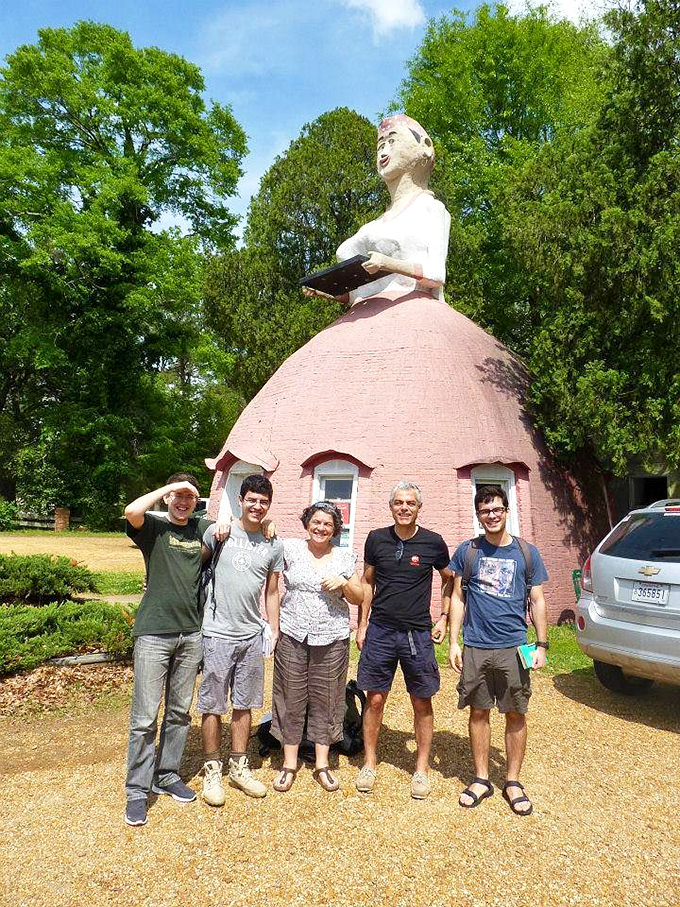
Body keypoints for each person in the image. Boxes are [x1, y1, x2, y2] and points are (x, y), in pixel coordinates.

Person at [447, 485, 549, 816]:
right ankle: (481, 779)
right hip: (476, 644)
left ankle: (513, 781)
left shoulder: (526, 553)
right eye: (485, 511)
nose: (491, 515)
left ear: (507, 511)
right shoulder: (469, 551)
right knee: (478, 711)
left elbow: (537, 600)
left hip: (514, 645)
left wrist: (542, 644)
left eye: (497, 509)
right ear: (478, 515)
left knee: (516, 712)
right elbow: (458, 597)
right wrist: (453, 641)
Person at [123, 473, 214, 827]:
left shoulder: (198, 528)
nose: (183, 502)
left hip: (191, 633)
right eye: (177, 496)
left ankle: (166, 774)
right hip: (154, 632)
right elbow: (131, 509)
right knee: (145, 717)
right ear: (166, 499)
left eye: (189, 497)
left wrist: (266, 523)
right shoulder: (154, 530)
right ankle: (136, 790)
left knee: (178, 712)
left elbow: (233, 525)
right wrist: (168, 488)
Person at [355, 481, 452, 799]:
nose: (404, 508)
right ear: (391, 506)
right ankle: (369, 762)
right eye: (398, 502)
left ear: (419, 507)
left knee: (421, 700)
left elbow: (450, 579)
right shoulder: (376, 539)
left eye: (410, 503)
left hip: (417, 634)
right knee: (375, 699)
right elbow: (367, 583)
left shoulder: (433, 542)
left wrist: (443, 617)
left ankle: (421, 769)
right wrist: (362, 625)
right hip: (381, 630)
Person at [303, 113, 450, 309]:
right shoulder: (372, 225)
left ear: (425, 145)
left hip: (411, 312)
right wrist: (331, 292)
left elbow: (436, 274)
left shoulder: (432, 209)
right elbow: (360, 292)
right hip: (367, 318)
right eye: (380, 146)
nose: (383, 153)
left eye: (392, 142)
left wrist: (387, 263)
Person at [198, 474, 284, 805]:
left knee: (245, 703)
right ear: (241, 500)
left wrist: (272, 629)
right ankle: (211, 770)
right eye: (252, 500)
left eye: (264, 502)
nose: (257, 506)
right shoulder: (219, 532)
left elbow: (272, 590)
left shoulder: (272, 543)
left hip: (251, 634)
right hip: (218, 632)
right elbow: (193, 566)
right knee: (212, 704)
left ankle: (238, 766)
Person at [270, 501, 363, 793]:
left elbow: (360, 597)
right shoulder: (290, 549)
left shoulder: (345, 557)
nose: (321, 528)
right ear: (307, 524)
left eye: (328, 524)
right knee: (290, 696)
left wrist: (344, 584)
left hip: (332, 636)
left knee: (328, 698)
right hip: (293, 634)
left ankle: (322, 764)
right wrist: (267, 525)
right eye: (316, 522)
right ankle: (289, 763)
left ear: (335, 529)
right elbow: (258, 528)